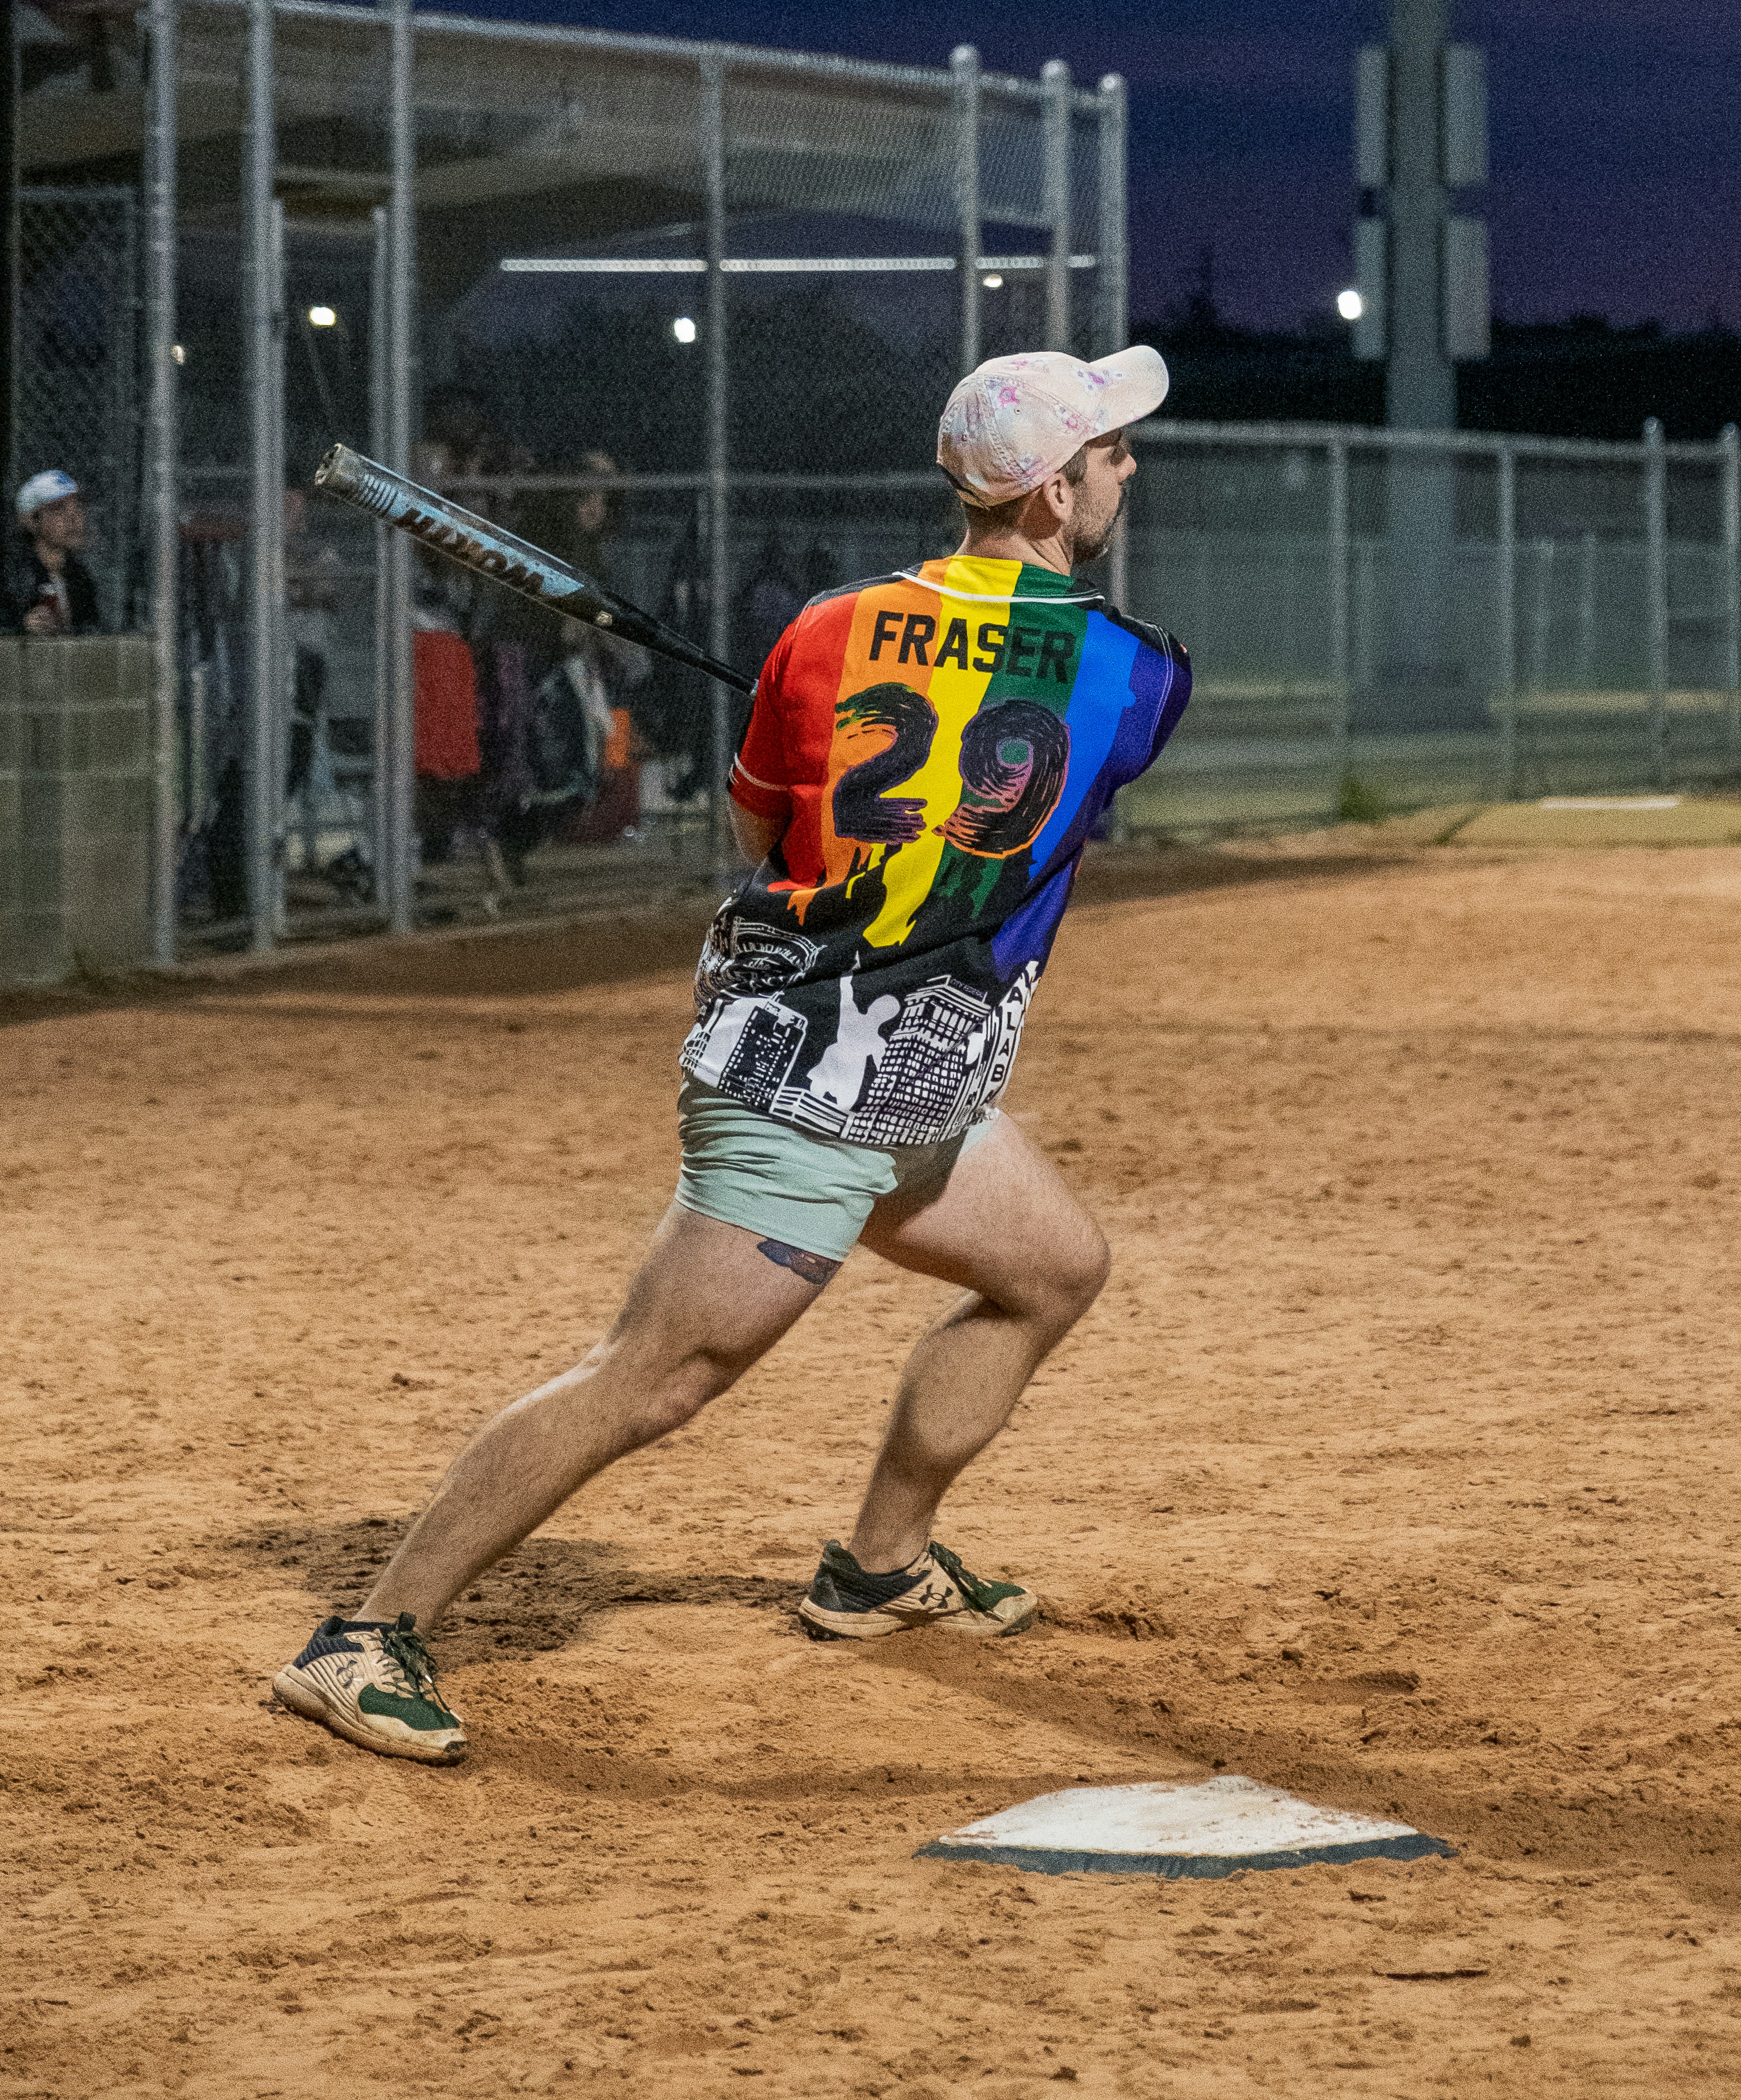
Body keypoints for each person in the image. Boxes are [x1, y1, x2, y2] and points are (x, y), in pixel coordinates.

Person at [272, 342, 1188, 1765]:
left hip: (915, 1065)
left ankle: (879, 1564)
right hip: (810, 1075)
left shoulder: (821, 628)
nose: (1129, 464)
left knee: (1050, 1264)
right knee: (656, 1373)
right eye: (1110, 450)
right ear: (1049, 492)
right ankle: (367, 1633)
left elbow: (764, 834)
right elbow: (1035, 774)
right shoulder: (1134, 669)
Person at [7, 471, 101, 636]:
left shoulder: (80, 578)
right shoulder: (12, 577)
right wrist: (22, 626)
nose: (73, 518)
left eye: (78, 508)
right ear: (33, 521)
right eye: (58, 509)